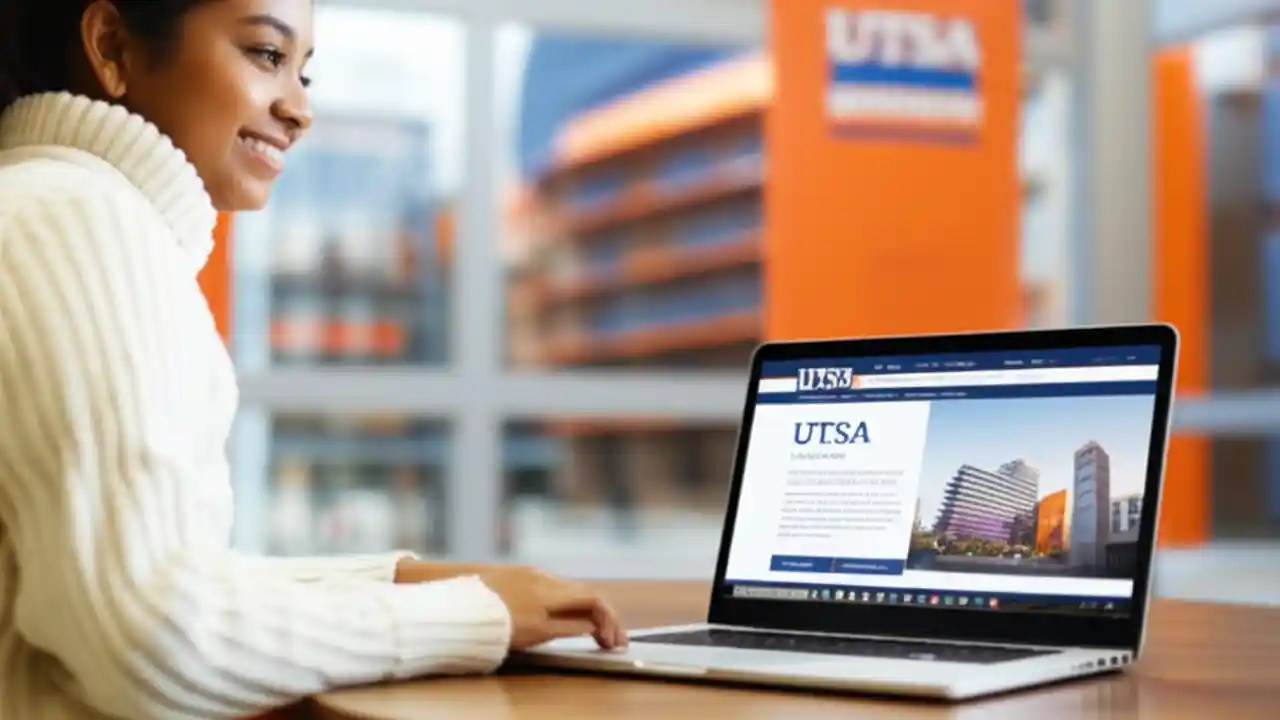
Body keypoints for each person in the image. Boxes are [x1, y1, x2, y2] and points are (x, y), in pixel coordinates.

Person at [0, 1, 626, 718]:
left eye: (305, 72)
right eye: (267, 55)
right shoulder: (85, 226)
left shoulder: (49, 206)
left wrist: (408, 583)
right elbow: (155, 635)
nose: (299, 110)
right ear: (112, 46)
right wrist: (473, 619)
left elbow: (150, 580)